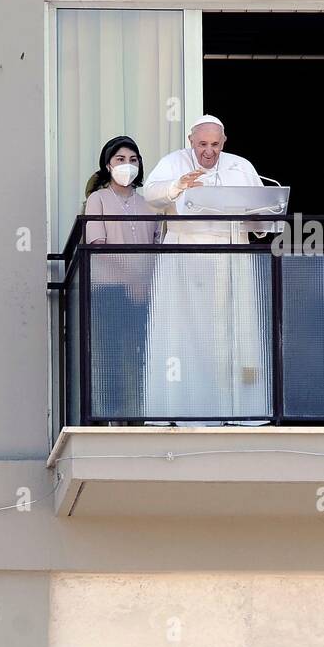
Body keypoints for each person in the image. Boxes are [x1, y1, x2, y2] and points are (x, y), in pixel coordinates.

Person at [139, 115, 273, 424]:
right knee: (184, 335)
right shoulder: (173, 162)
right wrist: (177, 186)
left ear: (224, 142)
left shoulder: (241, 167)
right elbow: (150, 196)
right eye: (202, 144)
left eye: (215, 144)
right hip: (185, 260)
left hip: (232, 258)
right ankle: (183, 409)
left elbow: (261, 218)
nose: (208, 151)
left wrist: (263, 216)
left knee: (235, 333)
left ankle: (239, 410)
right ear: (191, 142)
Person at [82, 136, 161, 422]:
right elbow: (97, 244)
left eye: (133, 160)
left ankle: (140, 412)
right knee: (112, 352)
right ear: (107, 165)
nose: (127, 165)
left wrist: (146, 281)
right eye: (120, 160)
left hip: (144, 291)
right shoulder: (98, 199)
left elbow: (157, 248)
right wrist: (131, 278)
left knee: (141, 352)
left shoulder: (148, 204)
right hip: (109, 290)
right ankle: (112, 414)